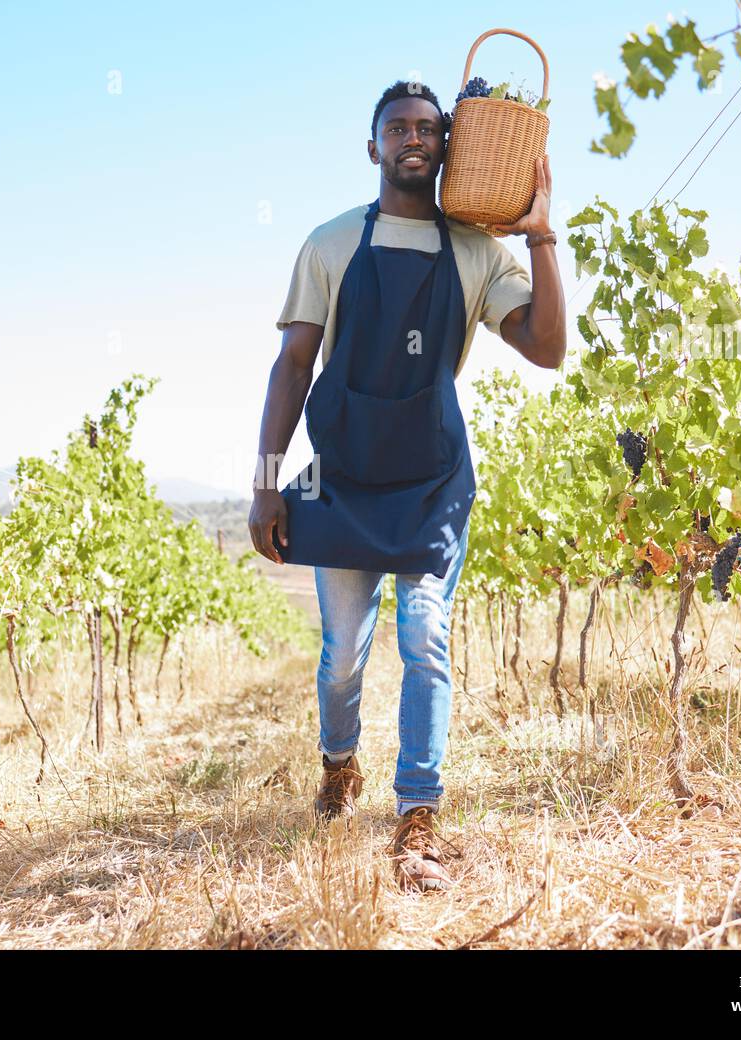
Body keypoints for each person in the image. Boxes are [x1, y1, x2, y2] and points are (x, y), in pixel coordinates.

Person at [247, 80, 566, 892]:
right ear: (374, 146)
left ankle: (419, 811)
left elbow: (549, 348)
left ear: (448, 143)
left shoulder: (476, 252)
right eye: (399, 129)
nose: (414, 139)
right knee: (342, 662)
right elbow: (291, 365)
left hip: (430, 477)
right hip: (346, 473)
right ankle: (339, 764)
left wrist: (540, 238)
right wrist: (265, 481)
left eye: (429, 128)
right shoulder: (328, 245)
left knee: (425, 636)